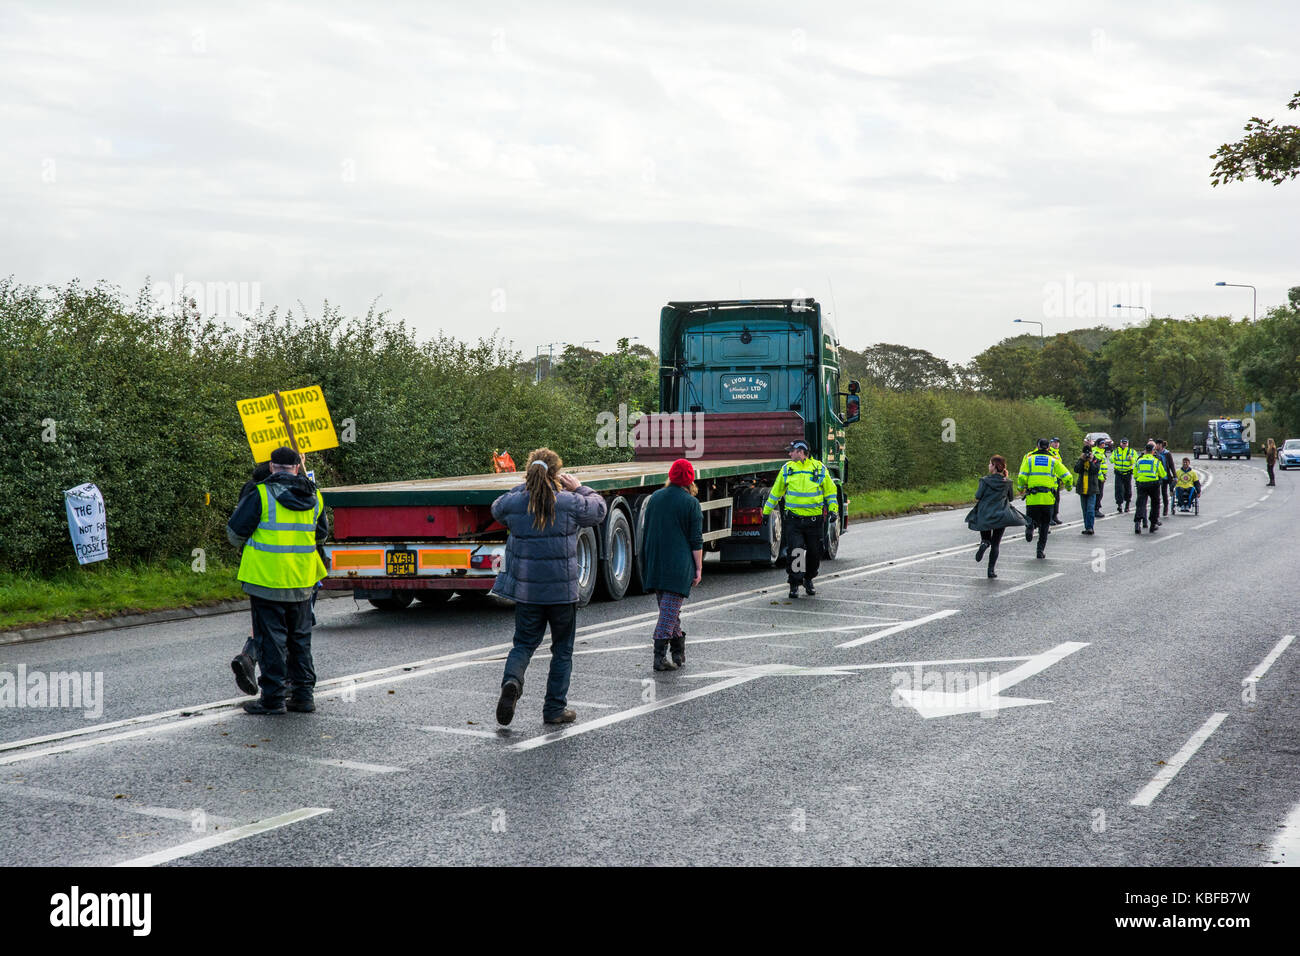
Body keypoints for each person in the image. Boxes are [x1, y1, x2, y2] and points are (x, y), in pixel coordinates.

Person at [491, 448, 607, 726]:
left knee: (523, 645)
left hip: (528, 593)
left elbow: (497, 507)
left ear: (530, 472)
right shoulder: (568, 502)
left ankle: (512, 682)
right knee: (562, 650)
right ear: (556, 475)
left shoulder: (517, 503)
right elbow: (599, 511)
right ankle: (554, 709)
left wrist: (526, 486)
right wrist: (581, 488)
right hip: (562, 593)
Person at [226, 446, 329, 714]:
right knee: (300, 640)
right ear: (297, 467)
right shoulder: (315, 496)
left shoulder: (260, 494)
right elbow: (321, 536)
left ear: (271, 467)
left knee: (270, 641)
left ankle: (272, 700)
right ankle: (304, 696)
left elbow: (234, 534)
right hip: (302, 580)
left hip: (266, 580)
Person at [640, 458, 703, 670]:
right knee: (668, 614)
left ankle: (678, 651)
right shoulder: (691, 503)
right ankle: (659, 657)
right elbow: (696, 541)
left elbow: (646, 530)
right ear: (690, 480)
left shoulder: (655, 498)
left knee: (669, 611)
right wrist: (699, 568)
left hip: (656, 562)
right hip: (678, 566)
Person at [762, 439, 839, 598]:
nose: (789, 454)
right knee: (795, 551)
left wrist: (833, 511)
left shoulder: (818, 468)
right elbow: (776, 493)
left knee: (814, 553)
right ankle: (794, 584)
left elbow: (830, 492)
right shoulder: (787, 469)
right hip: (794, 520)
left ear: (802, 452)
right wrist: (766, 512)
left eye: (792, 451)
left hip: (814, 521)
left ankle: (808, 579)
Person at [230, 462, 272, 696]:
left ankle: (248, 657)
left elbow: (236, 532)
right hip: (293, 572)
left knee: (264, 622)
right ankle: (281, 683)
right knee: (287, 629)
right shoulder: (280, 494)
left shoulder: (252, 490)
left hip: (255, 570)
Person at [965, 455, 1026, 579]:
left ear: (993, 466)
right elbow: (1011, 498)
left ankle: (984, 544)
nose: (988, 466)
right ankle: (991, 571)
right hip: (1001, 514)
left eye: (989, 464)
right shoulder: (1007, 482)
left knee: (986, 539)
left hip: (985, 514)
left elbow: (978, 496)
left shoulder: (984, 480)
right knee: (996, 544)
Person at [1017, 438, 1073, 559]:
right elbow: (1068, 476)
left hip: (1032, 498)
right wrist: (1068, 487)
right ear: (1048, 448)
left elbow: (1022, 476)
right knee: (1045, 526)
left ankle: (1030, 528)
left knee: (1031, 518)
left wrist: (1021, 488)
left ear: (1037, 446)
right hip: (1048, 499)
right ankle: (1040, 551)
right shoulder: (1054, 460)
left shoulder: (1029, 459)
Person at [1132, 441, 1168, 534]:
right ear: (1153, 451)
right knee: (1155, 504)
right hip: (1153, 484)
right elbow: (1163, 474)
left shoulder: (1139, 460)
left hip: (1141, 484)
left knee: (1140, 503)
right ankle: (1153, 524)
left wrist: (1140, 479)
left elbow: (1135, 474)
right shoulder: (1156, 461)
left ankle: (1137, 523)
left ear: (1145, 451)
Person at [1074, 440, 1101, 534]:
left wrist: (1090, 461)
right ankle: (1087, 527)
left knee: (1090, 509)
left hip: (1092, 489)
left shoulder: (1095, 459)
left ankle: (1090, 527)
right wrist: (1082, 460)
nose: (1087, 454)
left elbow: (1095, 470)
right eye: (1085, 453)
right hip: (1082, 488)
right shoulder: (1081, 459)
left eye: (1088, 452)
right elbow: (1076, 469)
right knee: (1085, 510)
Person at [1110, 438, 1135, 513]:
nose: (1124, 445)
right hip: (1119, 473)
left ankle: (1127, 505)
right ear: (1120, 443)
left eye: (1125, 443)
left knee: (1128, 489)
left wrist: (1131, 459)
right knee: (1118, 489)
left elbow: (1136, 461)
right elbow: (1111, 460)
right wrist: (1113, 458)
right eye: (1123, 443)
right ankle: (1119, 505)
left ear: (1127, 444)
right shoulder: (1116, 451)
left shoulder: (1131, 451)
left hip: (1127, 473)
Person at [1155, 440, 1176, 517]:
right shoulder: (1155, 453)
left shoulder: (1167, 453)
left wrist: (1175, 476)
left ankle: (1165, 508)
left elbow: (1171, 465)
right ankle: (1157, 509)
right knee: (1157, 494)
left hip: (1166, 476)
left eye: (1157, 444)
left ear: (1161, 445)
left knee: (1164, 493)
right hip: (1157, 476)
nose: (1156, 446)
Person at [1048, 438, 1065, 525]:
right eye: (1054, 442)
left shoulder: (1057, 453)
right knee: (1051, 499)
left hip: (1057, 480)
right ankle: (1050, 518)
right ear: (1050, 443)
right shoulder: (1049, 452)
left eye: (1058, 442)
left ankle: (1055, 516)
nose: (1056, 444)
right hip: (1050, 479)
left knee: (1057, 499)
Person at [1093, 441, 1111, 517]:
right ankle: (1096, 510)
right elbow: (1097, 467)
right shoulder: (1096, 452)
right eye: (1102, 443)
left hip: (1101, 475)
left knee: (1099, 493)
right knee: (1098, 493)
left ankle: (1095, 509)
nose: (1104, 445)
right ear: (1099, 444)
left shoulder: (1101, 451)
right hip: (1098, 476)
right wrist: (1101, 477)